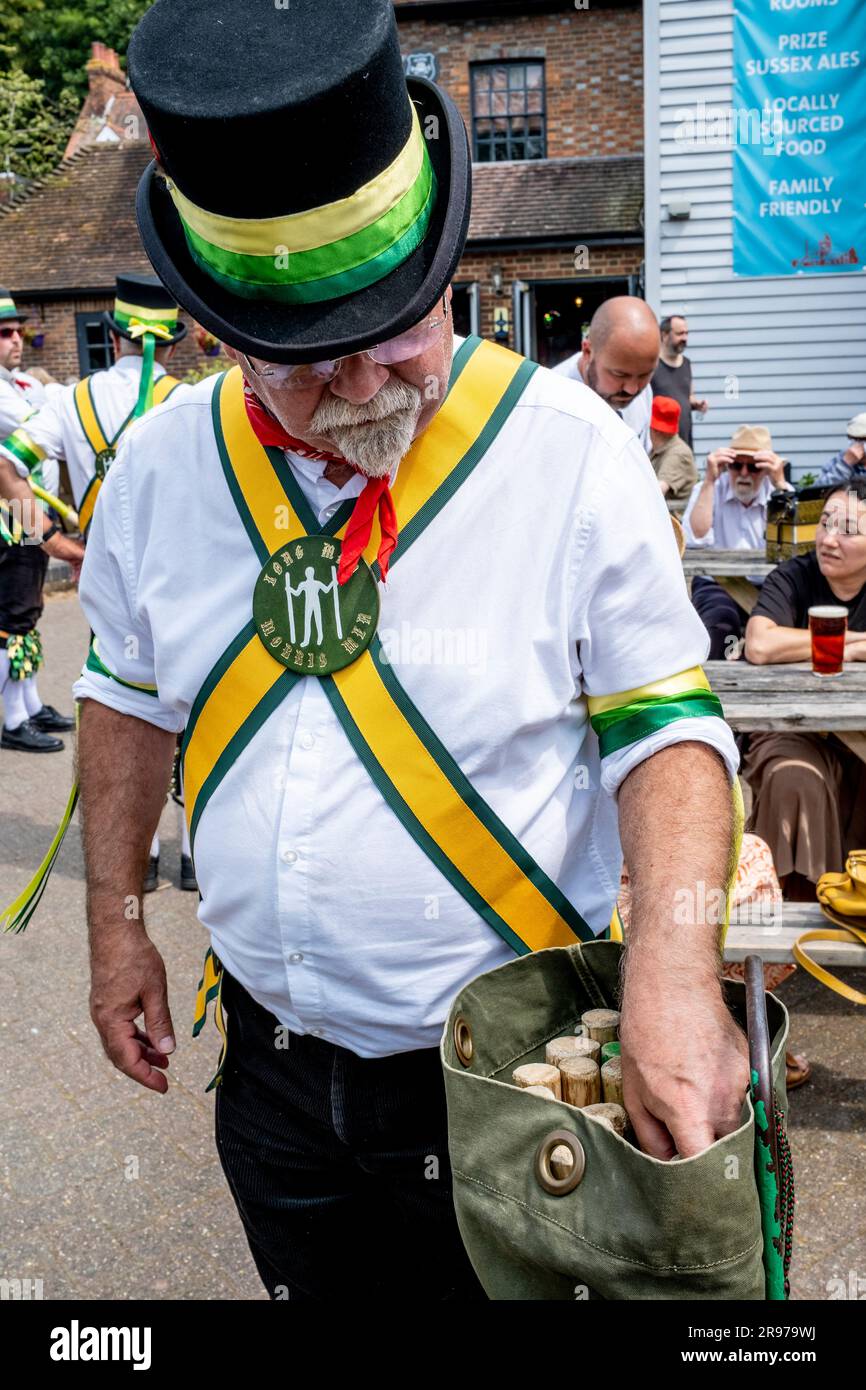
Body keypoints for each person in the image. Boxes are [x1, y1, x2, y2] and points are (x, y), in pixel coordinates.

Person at [72, 0, 744, 1303]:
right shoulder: (159, 467)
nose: (371, 381)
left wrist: (674, 968)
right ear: (218, 331)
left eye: (402, 324)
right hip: (269, 1076)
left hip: (512, 1078)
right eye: (312, 362)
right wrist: (112, 922)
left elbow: (664, 726)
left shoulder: (570, 452)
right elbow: (124, 692)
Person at [0, 273, 195, 887]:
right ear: (169, 344)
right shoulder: (201, 401)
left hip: (109, 583)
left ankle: (138, 859)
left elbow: (7, 468)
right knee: (191, 709)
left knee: (121, 707)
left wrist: (52, 540)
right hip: (186, 583)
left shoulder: (66, 403)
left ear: (115, 338)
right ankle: (192, 856)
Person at [743, 479, 866, 897]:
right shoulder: (794, 576)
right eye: (825, 523)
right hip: (789, 729)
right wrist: (848, 644)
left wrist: (799, 644)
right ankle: (780, 927)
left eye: (848, 530)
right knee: (795, 779)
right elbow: (759, 644)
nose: (829, 539)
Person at [0, 288, 73, 751]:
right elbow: (44, 418)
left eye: (18, 331)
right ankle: (11, 720)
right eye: (4, 333)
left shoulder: (21, 382)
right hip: (13, 511)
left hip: (30, 508)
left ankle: (27, 703)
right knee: (12, 612)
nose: (16, 339)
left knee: (29, 609)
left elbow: (63, 403)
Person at [684, 424, 793, 660]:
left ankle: (759, 691)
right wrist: (710, 481)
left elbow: (795, 547)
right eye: (736, 465)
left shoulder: (781, 494)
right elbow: (695, 539)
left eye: (754, 467)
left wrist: (781, 485)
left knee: (775, 633)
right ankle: (713, 687)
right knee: (719, 624)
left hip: (770, 585)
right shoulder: (709, 488)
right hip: (717, 582)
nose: (744, 473)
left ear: (767, 470)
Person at [552, 296, 660, 450]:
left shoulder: (643, 391)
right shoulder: (549, 403)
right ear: (588, 352)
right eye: (620, 374)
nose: (633, 389)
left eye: (645, 375)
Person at [651, 314, 708, 450]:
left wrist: (696, 404)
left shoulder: (686, 363)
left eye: (687, 333)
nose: (685, 338)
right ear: (664, 335)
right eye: (680, 334)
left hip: (685, 441)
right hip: (661, 445)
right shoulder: (652, 365)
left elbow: (688, 395)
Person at [648, 395, 697, 502]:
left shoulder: (678, 453)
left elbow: (658, 491)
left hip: (675, 517)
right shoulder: (657, 449)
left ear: (654, 429)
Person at [817, 411, 866, 487]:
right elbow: (818, 492)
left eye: (861, 439)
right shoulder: (841, 460)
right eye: (852, 438)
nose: (857, 444)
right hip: (852, 498)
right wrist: (845, 465)